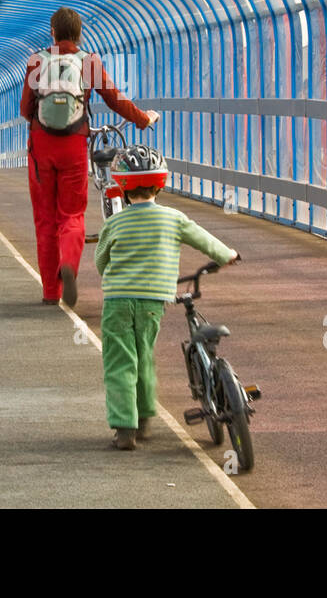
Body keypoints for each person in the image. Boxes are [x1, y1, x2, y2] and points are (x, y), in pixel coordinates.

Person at [95, 145, 238, 451]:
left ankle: (124, 428)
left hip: (118, 300)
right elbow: (205, 240)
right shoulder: (174, 218)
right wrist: (227, 255)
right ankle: (146, 418)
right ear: (160, 183)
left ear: (122, 185)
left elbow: (100, 261)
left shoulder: (114, 222)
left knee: (120, 361)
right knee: (144, 355)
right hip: (152, 302)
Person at [19, 6, 159, 307]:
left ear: (52, 32)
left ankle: (50, 292)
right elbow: (115, 98)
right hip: (74, 144)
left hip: (41, 147)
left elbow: (24, 109)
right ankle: (68, 263)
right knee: (72, 214)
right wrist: (142, 119)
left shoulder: (36, 62)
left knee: (45, 220)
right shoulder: (89, 62)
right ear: (79, 33)